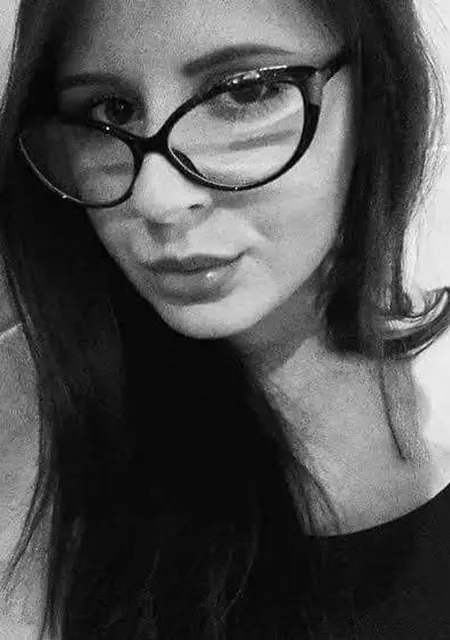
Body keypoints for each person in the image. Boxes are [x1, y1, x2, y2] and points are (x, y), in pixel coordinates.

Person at [0, 0, 450, 637]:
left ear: (378, 94)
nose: (158, 198)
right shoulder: (34, 435)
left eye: (245, 92)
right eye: (111, 111)